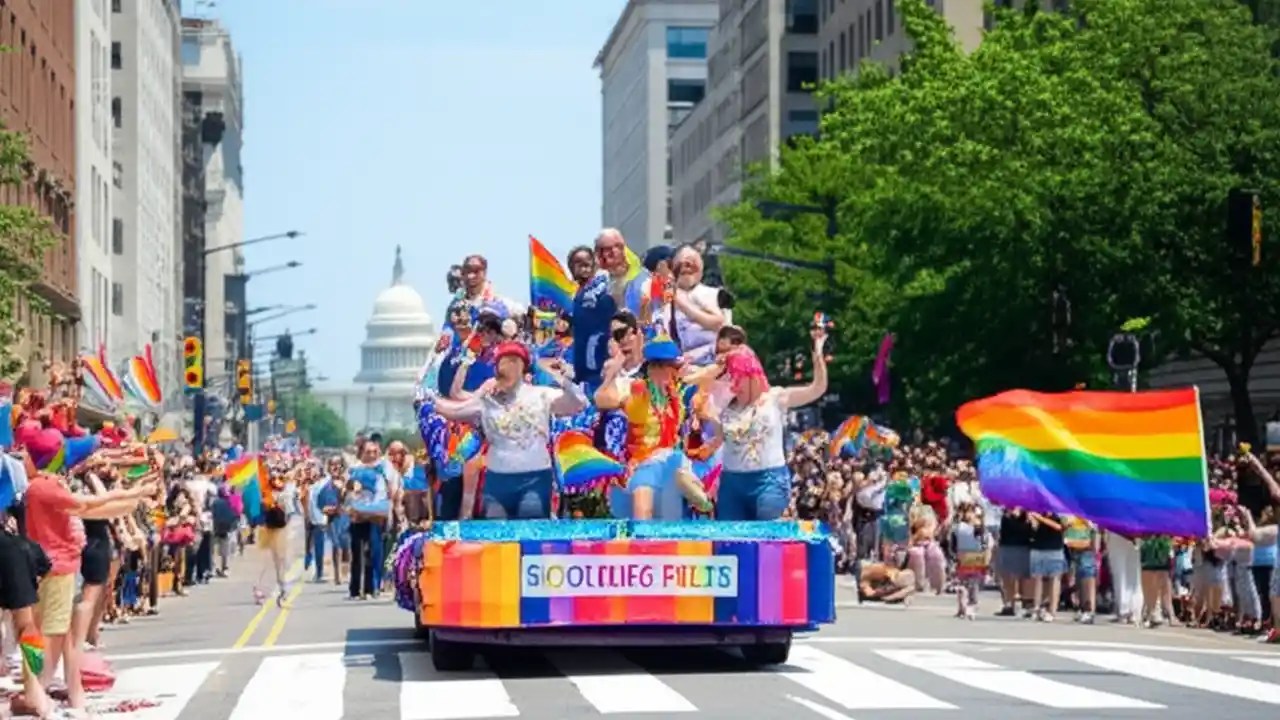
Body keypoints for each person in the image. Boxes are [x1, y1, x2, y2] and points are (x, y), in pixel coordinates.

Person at [429, 342, 588, 519]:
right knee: (497, 540)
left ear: (523, 367)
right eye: (503, 362)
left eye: (514, 361)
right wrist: (426, 396)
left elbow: (577, 404)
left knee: (531, 532)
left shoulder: (541, 395)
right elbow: (452, 409)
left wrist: (565, 381)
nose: (508, 367)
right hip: (497, 481)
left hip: (534, 479)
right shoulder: (487, 400)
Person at [700, 323, 827, 521]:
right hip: (732, 483)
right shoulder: (723, 403)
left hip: (769, 480)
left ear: (752, 376)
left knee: (769, 543)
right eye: (731, 379)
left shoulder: (776, 398)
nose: (734, 386)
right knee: (730, 544)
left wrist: (817, 354)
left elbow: (817, 388)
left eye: (738, 379)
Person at [595, 332, 713, 520]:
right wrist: (611, 375)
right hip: (643, 463)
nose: (666, 372)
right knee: (643, 512)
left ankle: (695, 491)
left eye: (669, 367)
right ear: (650, 368)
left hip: (671, 463)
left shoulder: (677, 393)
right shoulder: (637, 389)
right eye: (659, 366)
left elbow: (709, 375)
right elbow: (600, 399)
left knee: (671, 518)